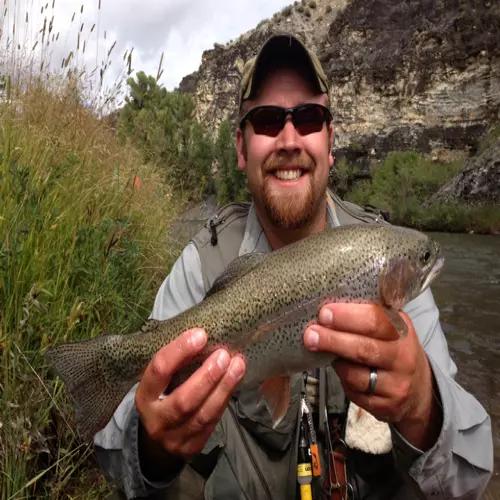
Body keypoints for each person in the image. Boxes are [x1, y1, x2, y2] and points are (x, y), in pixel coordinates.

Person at [93, 33, 493, 499]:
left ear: (331, 142)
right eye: (266, 120)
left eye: (307, 117)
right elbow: (112, 453)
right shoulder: (201, 267)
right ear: (242, 149)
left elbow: (474, 476)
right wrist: (152, 447)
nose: (288, 139)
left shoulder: (386, 254)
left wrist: (424, 406)